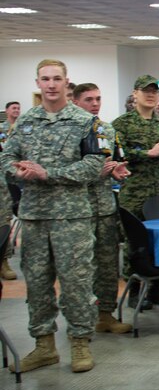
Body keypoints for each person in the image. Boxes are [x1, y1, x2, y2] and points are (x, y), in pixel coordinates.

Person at [0, 60, 105, 373]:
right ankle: (44, 345)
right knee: (37, 282)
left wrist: (50, 173)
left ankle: (80, 343)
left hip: (71, 216)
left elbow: (93, 166)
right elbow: (7, 157)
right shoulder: (27, 121)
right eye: (45, 79)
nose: (51, 84)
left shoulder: (86, 122)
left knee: (76, 282)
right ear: (37, 82)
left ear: (66, 82)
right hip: (33, 216)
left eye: (57, 79)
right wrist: (19, 171)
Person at [112, 75, 159, 307]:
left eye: (154, 91)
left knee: (157, 241)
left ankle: (155, 287)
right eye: (146, 91)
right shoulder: (121, 124)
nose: (151, 95)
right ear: (135, 94)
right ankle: (134, 291)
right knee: (134, 242)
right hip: (134, 191)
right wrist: (147, 153)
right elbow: (119, 155)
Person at [72, 83, 133, 334]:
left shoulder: (106, 130)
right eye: (89, 99)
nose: (95, 104)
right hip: (77, 209)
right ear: (76, 102)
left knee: (108, 265)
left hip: (105, 206)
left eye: (98, 98)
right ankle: (80, 320)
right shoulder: (69, 131)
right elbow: (64, 171)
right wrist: (94, 172)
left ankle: (105, 315)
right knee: (80, 267)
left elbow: (118, 160)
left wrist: (119, 173)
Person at [0, 100, 21, 280]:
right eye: (13, 108)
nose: (16, 110)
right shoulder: (1, 128)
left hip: (4, 182)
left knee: (3, 221)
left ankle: (3, 262)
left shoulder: (20, 128)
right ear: (6, 111)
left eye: (18, 108)